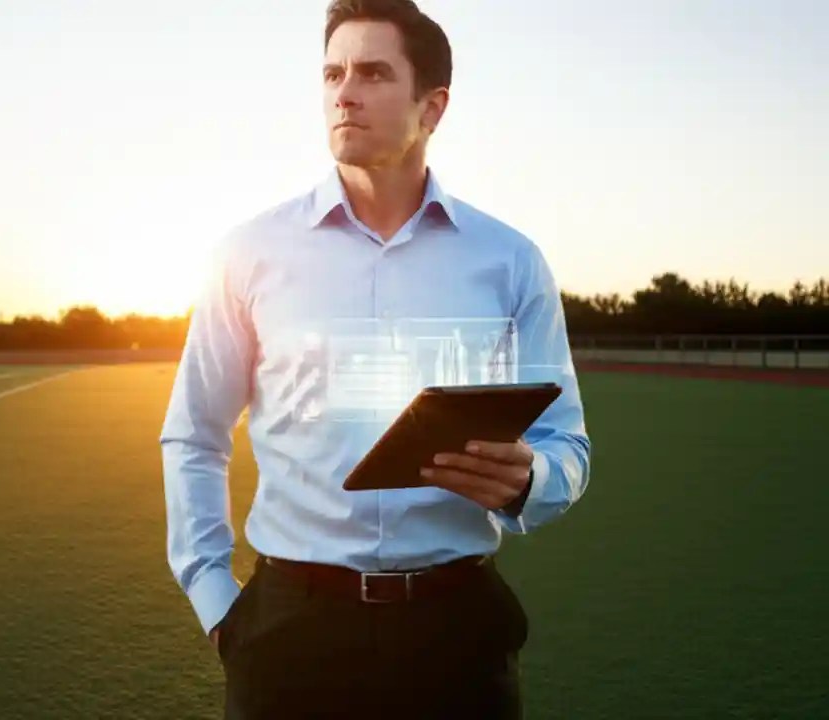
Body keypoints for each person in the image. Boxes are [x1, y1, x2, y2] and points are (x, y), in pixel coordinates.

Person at [159, 0, 592, 717]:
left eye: (372, 72)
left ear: (433, 105)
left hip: (458, 631)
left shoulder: (510, 261)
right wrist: (216, 598)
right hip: (289, 632)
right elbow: (194, 435)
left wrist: (532, 479)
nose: (343, 92)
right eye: (331, 73)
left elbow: (567, 443)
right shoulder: (249, 253)